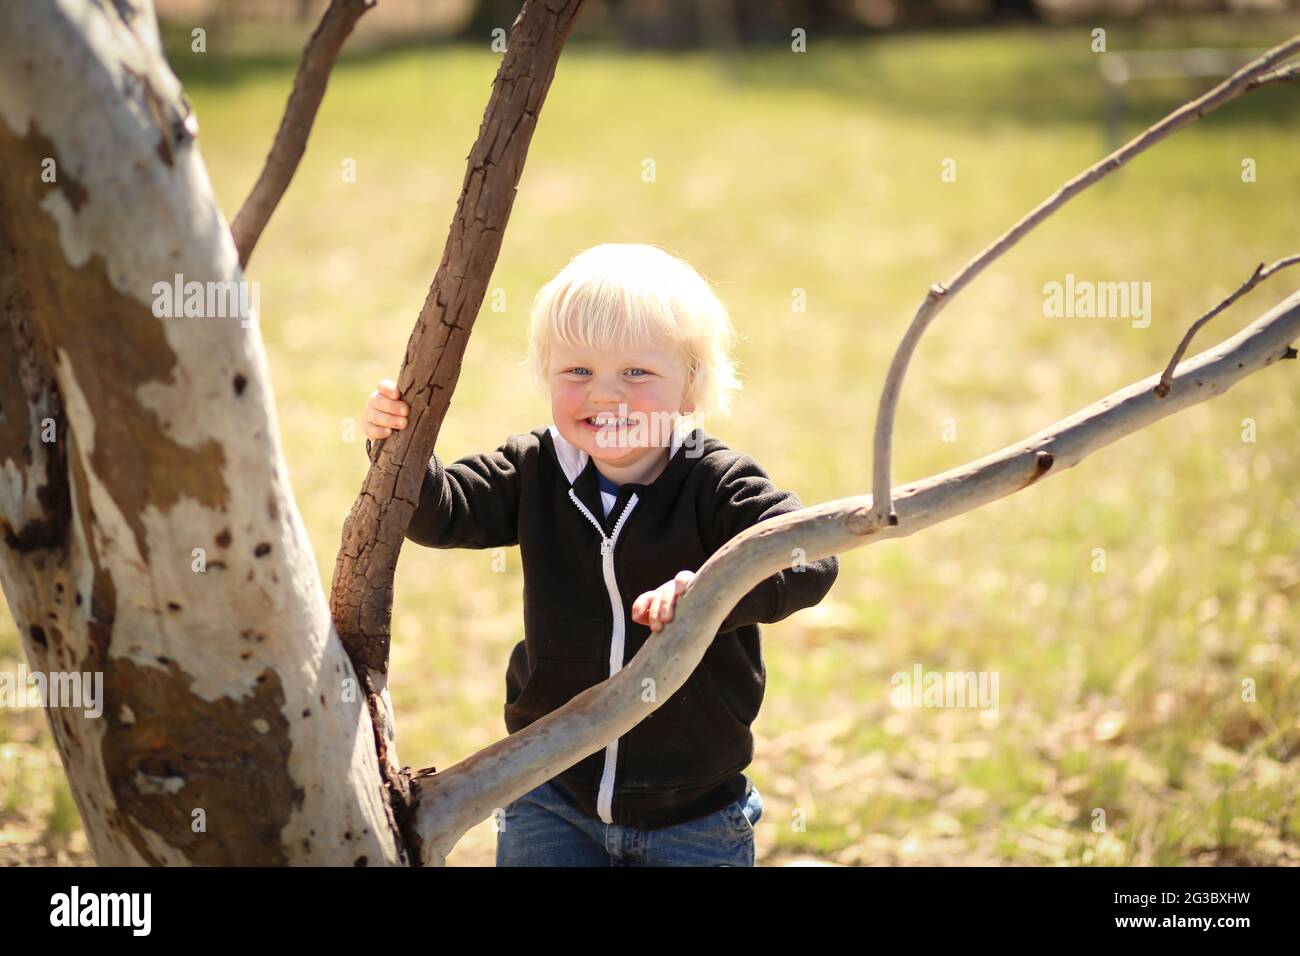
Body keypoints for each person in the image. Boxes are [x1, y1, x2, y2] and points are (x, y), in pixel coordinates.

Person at [361, 243, 839, 866]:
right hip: (547, 788)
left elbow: (808, 556)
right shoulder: (535, 468)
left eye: (636, 374)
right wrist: (399, 447)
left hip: (692, 807)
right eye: (578, 372)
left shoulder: (714, 481)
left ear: (691, 388)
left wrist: (714, 588)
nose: (605, 395)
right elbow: (441, 510)